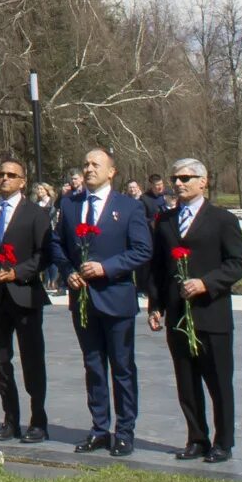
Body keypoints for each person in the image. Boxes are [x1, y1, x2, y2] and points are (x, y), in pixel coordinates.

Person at [148, 157, 242, 464]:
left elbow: (238, 263)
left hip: (212, 315)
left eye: (186, 178)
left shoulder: (222, 220)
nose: (179, 183)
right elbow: (157, 267)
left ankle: (223, 442)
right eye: (175, 179)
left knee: (219, 383)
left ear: (203, 182)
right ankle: (196, 438)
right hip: (178, 316)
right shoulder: (165, 221)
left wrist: (206, 283)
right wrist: (155, 305)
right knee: (187, 382)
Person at [55, 146, 151, 457]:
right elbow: (56, 244)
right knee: (93, 366)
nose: (89, 169)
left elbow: (142, 250)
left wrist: (106, 268)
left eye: (96, 164)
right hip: (83, 300)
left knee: (122, 368)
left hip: (116, 298)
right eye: (85, 164)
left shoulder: (129, 207)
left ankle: (124, 431)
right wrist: (68, 272)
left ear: (112, 172)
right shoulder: (70, 205)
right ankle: (99, 429)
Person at [0, 157, 52, 444]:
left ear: (22, 181)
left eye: (10, 174)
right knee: (2, 360)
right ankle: (10, 419)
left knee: (32, 359)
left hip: (25, 296)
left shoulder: (36, 214)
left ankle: (38, 421)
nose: (4, 178)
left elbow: (44, 255)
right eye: (1, 174)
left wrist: (18, 272)